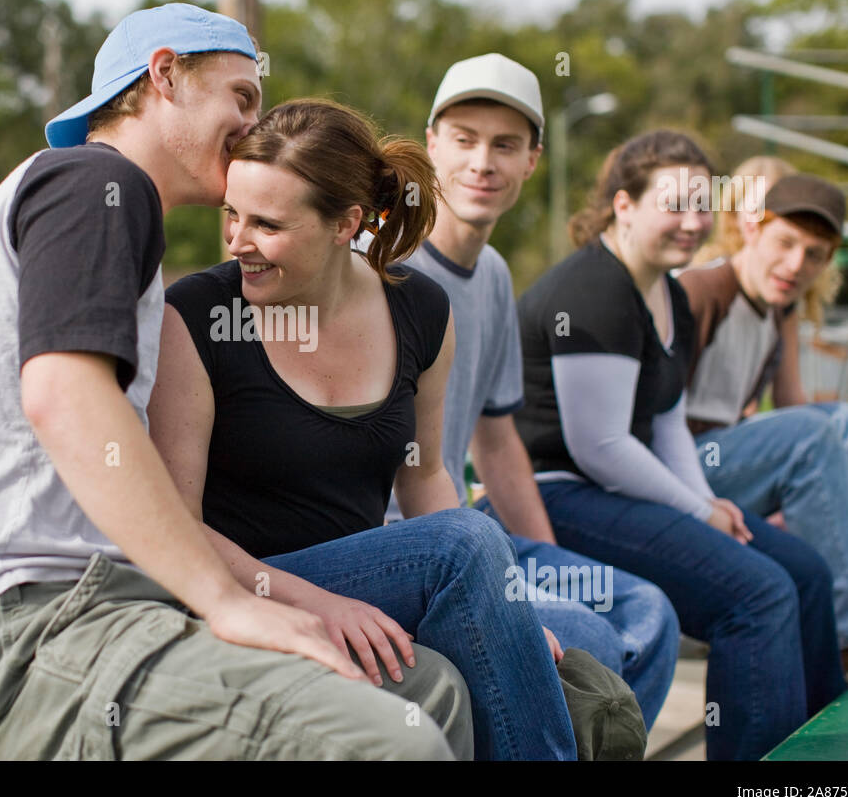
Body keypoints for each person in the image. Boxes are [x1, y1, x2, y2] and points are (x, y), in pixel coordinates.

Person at [0, 3, 475, 761]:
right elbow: (63, 398)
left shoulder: (105, 206)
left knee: (425, 690)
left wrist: (271, 600)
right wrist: (228, 602)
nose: (251, 124)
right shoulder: (98, 182)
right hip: (30, 630)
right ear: (164, 75)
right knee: (392, 746)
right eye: (241, 97)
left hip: (98, 610)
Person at [149, 96, 581, 760]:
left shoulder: (420, 309)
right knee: (464, 550)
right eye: (231, 215)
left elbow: (427, 475)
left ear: (345, 223)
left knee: (594, 655)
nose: (237, 241)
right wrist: (318, 604)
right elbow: (176, 526)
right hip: (242, 583)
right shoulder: (197, 314)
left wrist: (503, 611)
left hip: (369, 578)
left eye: (267, 224)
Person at [513, 129, 847, 760]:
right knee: (756, 595)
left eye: (702, 205)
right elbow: (600, 445)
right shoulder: (594, 292)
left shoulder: (668, 294)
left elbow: (667, 422)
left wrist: (710, 503)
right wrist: (699, 512)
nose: (693, 222)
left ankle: (826, 758)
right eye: (674, 204)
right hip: (563, 495)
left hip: (620, 492)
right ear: (624, 204)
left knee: (804, 574)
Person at [383, 53, 679, 729]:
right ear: (431, 145)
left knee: (648, 614)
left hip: (483, 534)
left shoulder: (491, 274)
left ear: (532, 162)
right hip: (404, 544)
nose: (483, 162)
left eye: (505, 145)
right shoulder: (383, 266)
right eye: (464, 139)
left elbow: (496, 439)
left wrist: (545, 561)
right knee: (593, 643)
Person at [680, 168, 848, 682]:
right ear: (752, 228)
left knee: (844, 419)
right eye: (785, 243)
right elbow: (652, 418)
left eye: (814, 255)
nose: (795, 265)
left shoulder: (777, 308)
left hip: (723, 457)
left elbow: (795, 408)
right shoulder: (701, 291)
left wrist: (806, 492)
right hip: (675, 466)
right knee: (815, 433)